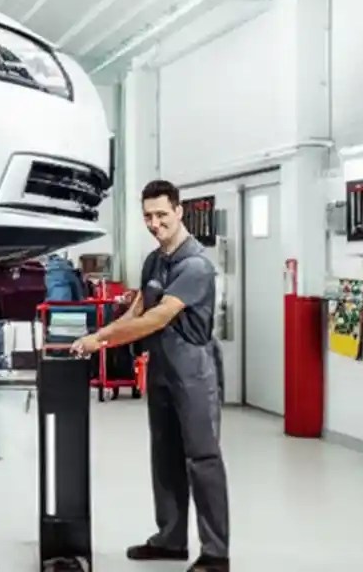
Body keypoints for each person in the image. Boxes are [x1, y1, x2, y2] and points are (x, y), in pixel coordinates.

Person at [70, 179, 229, 572]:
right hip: (161, 368)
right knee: (165, 455)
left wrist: (100, 340)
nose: (155, 223)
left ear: (179, 211)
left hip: (194, 370)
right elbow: (138, 310)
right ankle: (170, 540)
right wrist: (102, 333)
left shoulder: (195, 265)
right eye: (148, 217)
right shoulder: (154, 261)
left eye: (161, 215)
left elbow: (158, 317)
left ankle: (215, 553)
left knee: (202, 458)